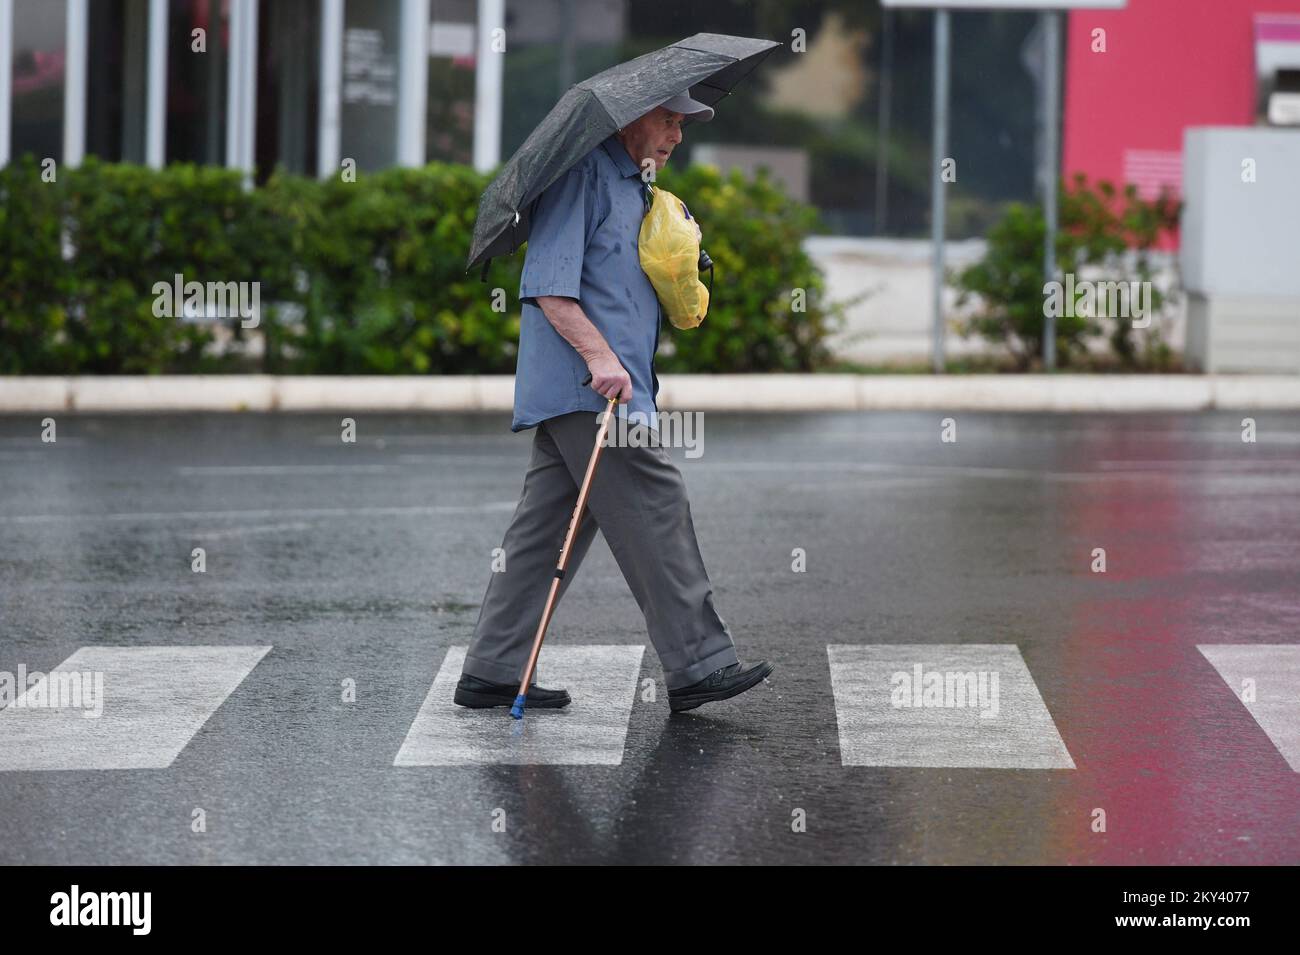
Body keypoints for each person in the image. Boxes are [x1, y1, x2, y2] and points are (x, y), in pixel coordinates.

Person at [454, 91, 773, 715]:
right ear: (631, 116)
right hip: (591, 391)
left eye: (682, 125)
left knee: (546, 532)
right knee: (657, 502)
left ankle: (493, 670)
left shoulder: (637, 186)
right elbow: (549, 287)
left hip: (603, 390)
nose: (677, 136)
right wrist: (603, 360)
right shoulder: (582, 177)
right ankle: (698, 664)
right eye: (670, 121)